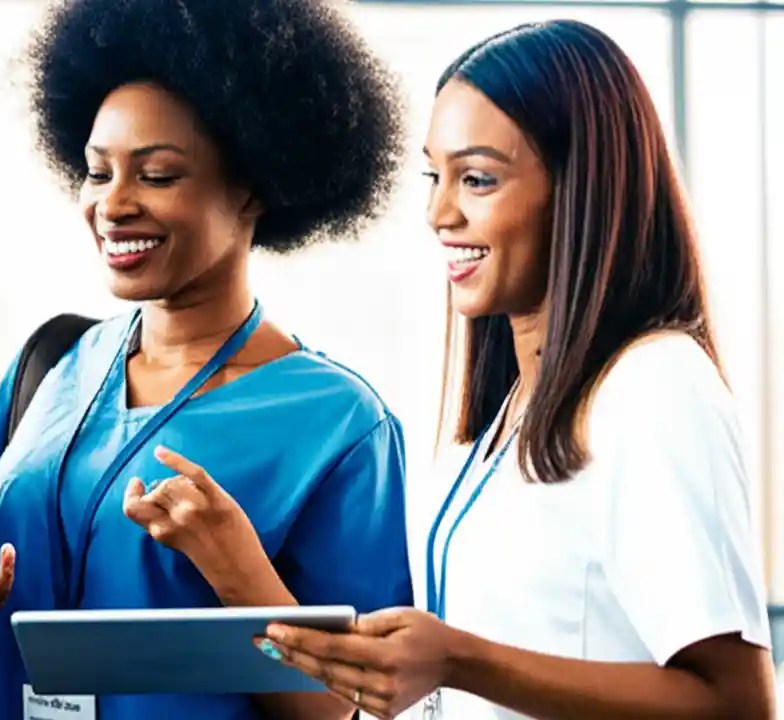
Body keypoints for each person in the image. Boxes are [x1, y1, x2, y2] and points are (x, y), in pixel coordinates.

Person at [0, 0, 410, 718]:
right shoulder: (53, 361)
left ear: (253, 183)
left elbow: (341, 707)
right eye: (98, 173)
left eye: (157, 175)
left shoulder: (339, 423)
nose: (114, 204)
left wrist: (236, 567)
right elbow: (60, 657)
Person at [256, 19, 775, 720]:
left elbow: (738, 702)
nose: (439, 212)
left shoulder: (653, 387)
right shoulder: (509, 411)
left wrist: (459, 659)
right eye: (434, 176)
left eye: (476, 179)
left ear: (581, 187)